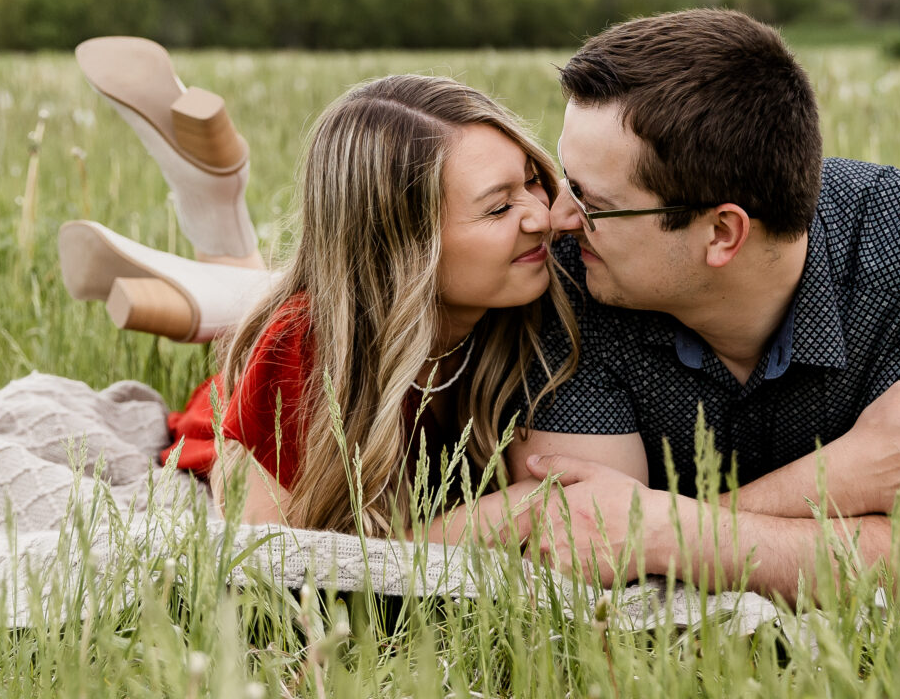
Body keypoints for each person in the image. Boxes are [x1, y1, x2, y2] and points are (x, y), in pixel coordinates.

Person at [507, 9, 900, 612]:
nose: (556, 218)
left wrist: (662, 531)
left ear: (722, 232)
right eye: (564, 178)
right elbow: (585, 551)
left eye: (591, 200)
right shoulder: (569, 273)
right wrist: (837, 478)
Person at [57, 41, 576, 536]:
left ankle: (215, 233)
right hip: (238, 414)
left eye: (532, 180)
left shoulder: (539, 298)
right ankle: (214, 205)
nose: (541, 215)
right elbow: (279, 556)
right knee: (288, 316)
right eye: (499, 207)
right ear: (403, 244)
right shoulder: (305, 349)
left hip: (336, 313)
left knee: (280, 301)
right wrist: (509, 513)